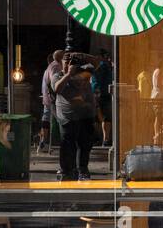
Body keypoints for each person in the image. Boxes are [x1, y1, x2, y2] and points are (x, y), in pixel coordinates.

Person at [53, 51, 97, 181]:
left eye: (71, 63)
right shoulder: (58, 75)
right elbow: (57, 88)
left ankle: (82, 170)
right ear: (62, 64)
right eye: (66, 63)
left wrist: (83, 56)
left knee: (85, 145)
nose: (69, 66)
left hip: (85, 115)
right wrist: (68, 74)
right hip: (67, 117)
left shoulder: (83, 73)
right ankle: (67, 171)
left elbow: (97, 63)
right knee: (67, 145)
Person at [37, 49, 64, 153]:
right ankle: (47, 142)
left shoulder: (49, 68)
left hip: (47, 97)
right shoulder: (56, 66)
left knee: (46, 118)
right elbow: (55, 82)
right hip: (53, 98)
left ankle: (43, 142)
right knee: (61, 120)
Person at [90, 48, 113, 146]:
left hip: (97, 93)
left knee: (99, 117)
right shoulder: (103, 66)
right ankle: (105, 139)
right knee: (105, 117)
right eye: (106, 56)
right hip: (102, 94)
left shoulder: (96, 66)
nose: (107, 58)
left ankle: (100, 138)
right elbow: (98, 81)